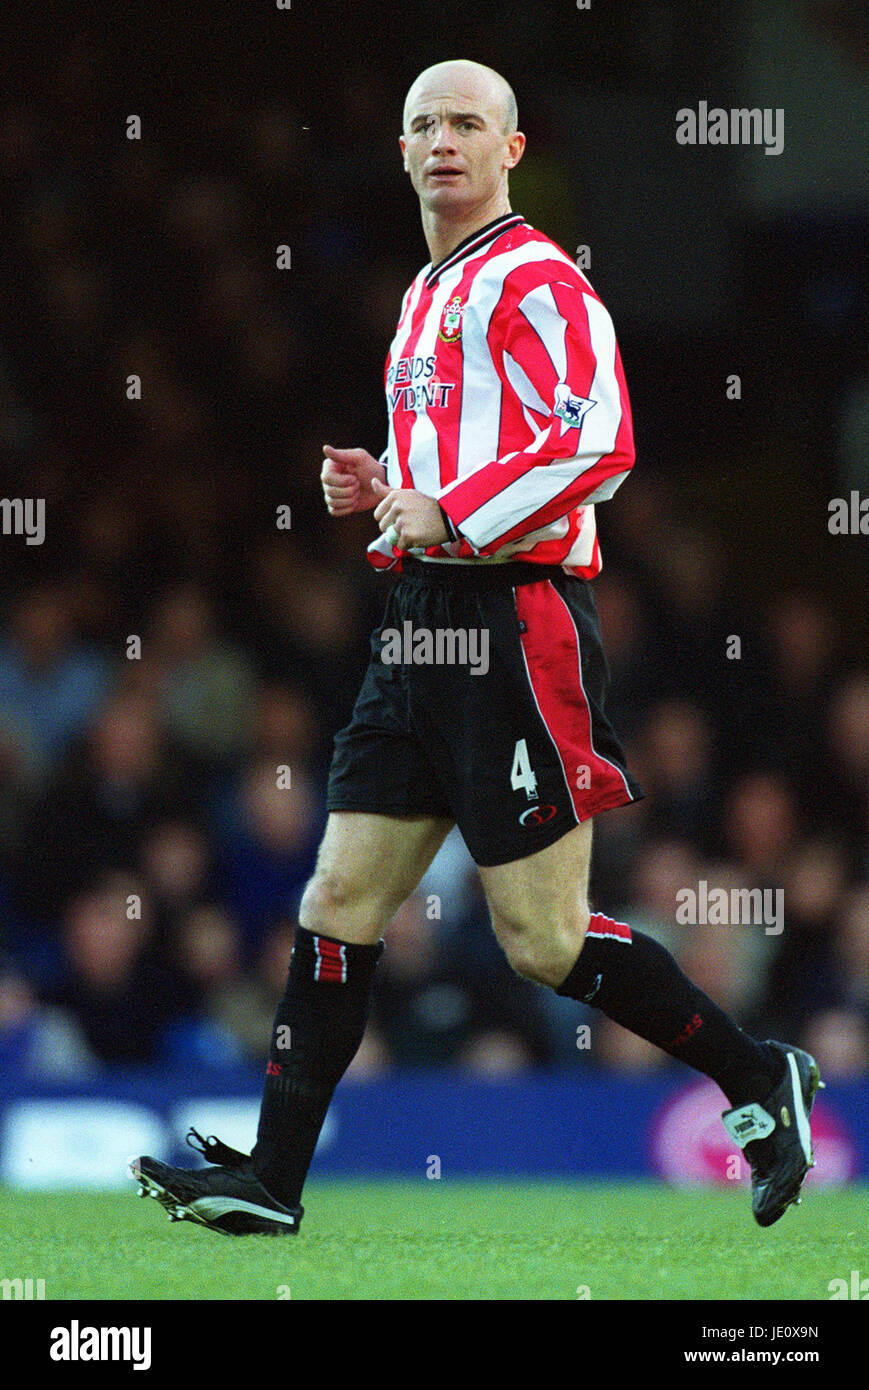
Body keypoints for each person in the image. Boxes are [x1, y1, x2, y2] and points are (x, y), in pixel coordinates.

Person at [132, 59, 822, 1235]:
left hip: (515, 619)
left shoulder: (539, 278)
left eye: (466, 122)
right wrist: (386, 486)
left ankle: (760, 1075)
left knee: (542, 943)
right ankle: (274, 1178)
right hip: (418, 628)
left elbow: (597, 439)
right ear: (398, 154)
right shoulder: (421, 294)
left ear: (509, 150)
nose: (441, 139)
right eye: (420, 124)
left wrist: (450, 514)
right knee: (339, 895)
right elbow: (466, 465)